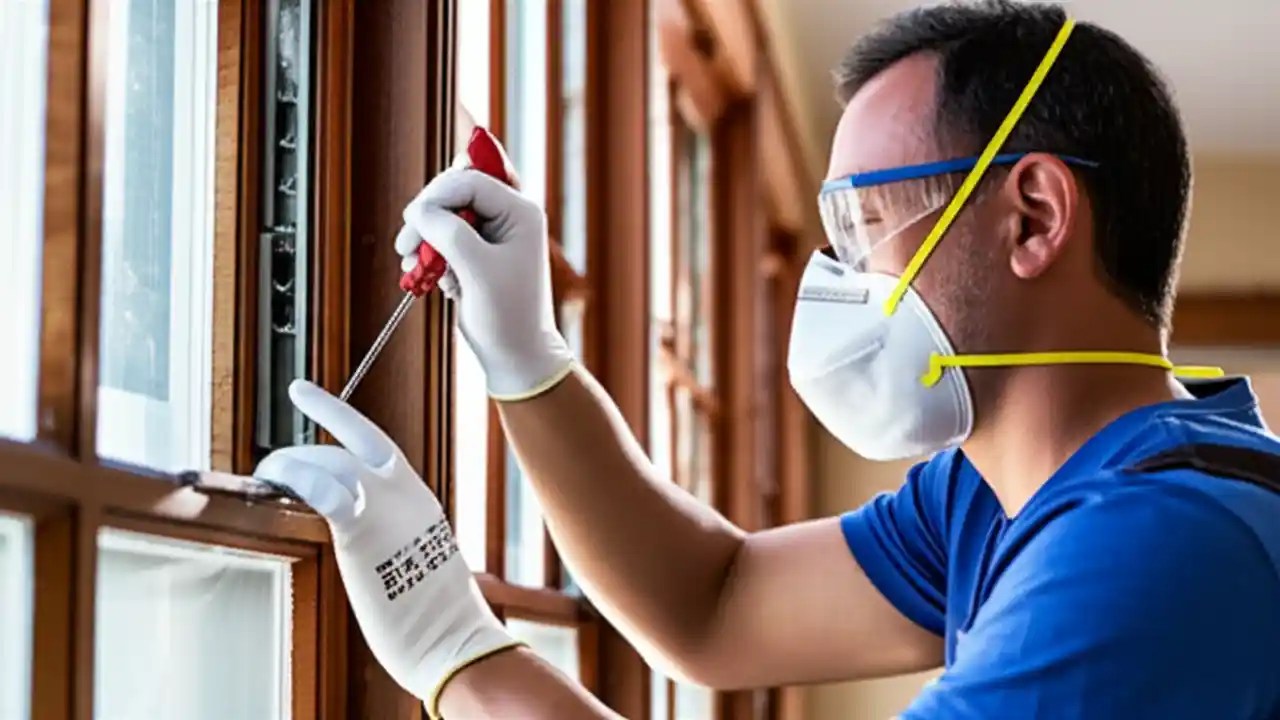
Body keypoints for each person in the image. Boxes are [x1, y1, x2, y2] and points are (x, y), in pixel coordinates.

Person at [255, 1, 1280, 718]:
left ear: (1031, 215)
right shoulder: (998, 496)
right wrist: (526, 357)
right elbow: (716, 603)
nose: (833, 279)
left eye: (865, 222)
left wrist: (454, 652)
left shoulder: (1157, 547)